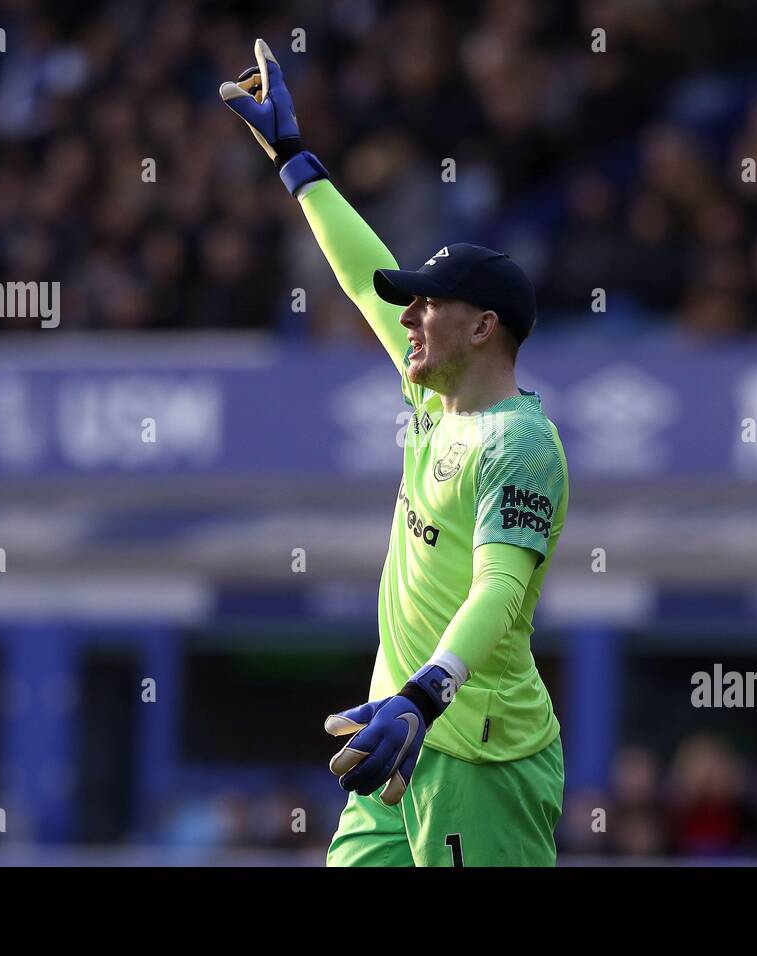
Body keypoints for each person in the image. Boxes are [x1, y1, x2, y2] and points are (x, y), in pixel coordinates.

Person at [221, 40, 569, 866]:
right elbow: (359, 271)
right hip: (397, 737)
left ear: (483, 327)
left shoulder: (522, 443)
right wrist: (298, 163)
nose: (407, 317)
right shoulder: (429, 395)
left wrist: (426, 694)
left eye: (427, 305)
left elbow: (498, 586)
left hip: (481, 754)